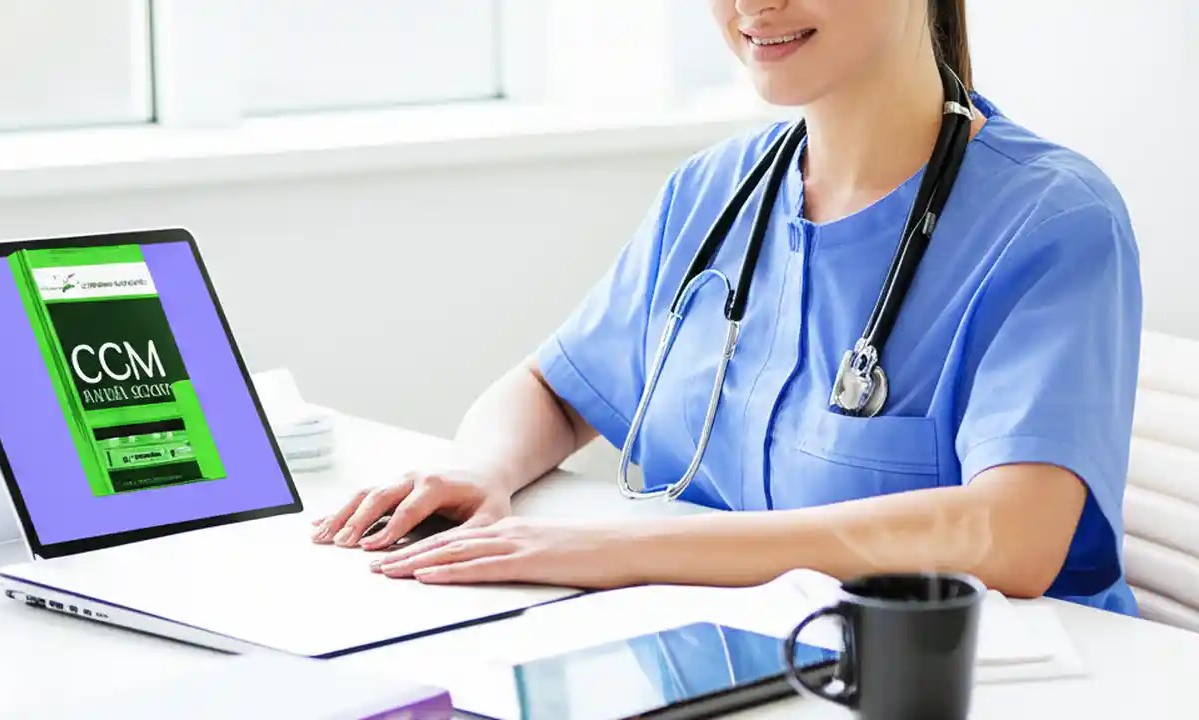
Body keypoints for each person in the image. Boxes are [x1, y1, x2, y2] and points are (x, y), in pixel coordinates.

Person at [311, 0, 1142, 615]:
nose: (753, 3)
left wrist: (632, 553)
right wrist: (481, 469)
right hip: (740, 659)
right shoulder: (713, 193)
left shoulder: (1052, 222)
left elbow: (1016, 536)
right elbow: (554, 387)